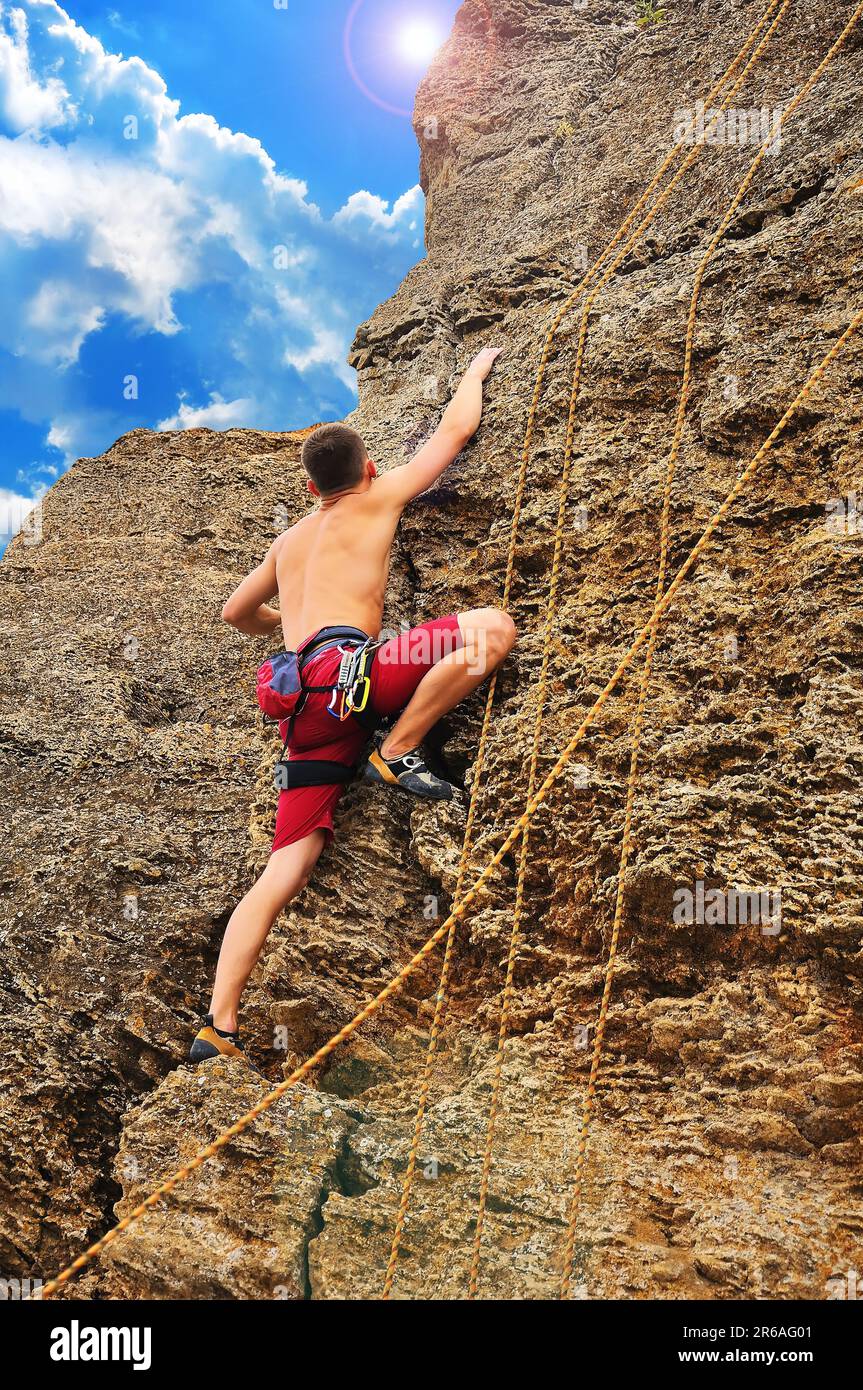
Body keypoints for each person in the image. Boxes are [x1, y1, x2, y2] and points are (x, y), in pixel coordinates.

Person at [190, 346, 515, 1062]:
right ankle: (397, 751)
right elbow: (453, 435)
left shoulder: (288, 540)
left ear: (309, 490)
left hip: (302, 704)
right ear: (365, 469)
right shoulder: (378, 493)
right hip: (357, 676)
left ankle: (218, 1026)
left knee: (283, 869)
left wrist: (288, 627)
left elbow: (233, 613)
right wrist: (473, 371)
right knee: (491, 629)